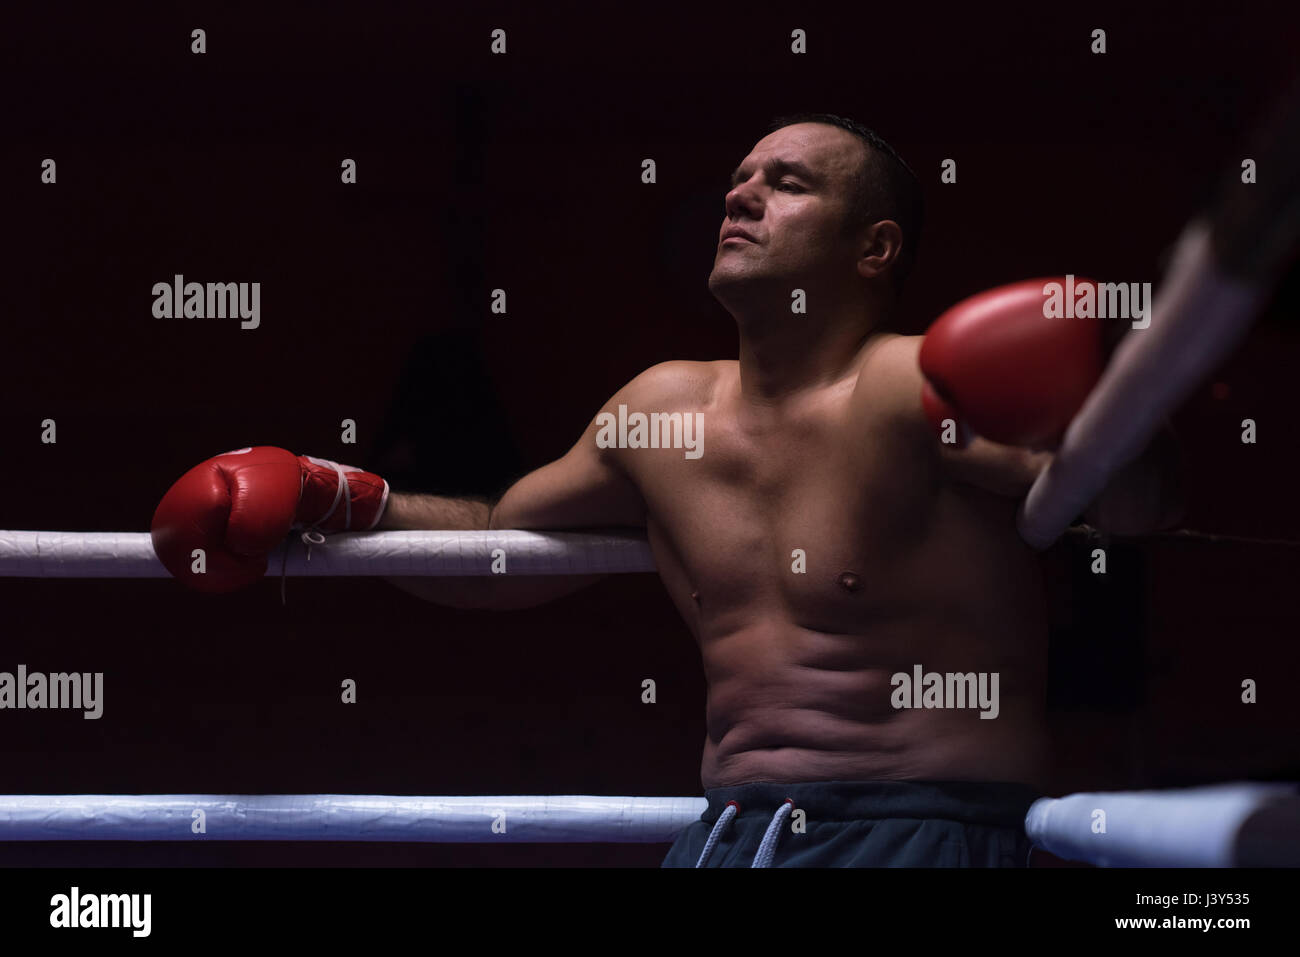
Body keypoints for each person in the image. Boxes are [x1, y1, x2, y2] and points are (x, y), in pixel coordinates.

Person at [151, 113, 1183, 867]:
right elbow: (498, 549)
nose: (739, 195)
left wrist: (1104, 414)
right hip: (732, 831)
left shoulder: (916, 386)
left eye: (786, 183)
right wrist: (341, 501)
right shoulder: (660, 410)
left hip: (925, 827)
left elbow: (1128, 511)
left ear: (874, 248)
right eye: (739, 178)